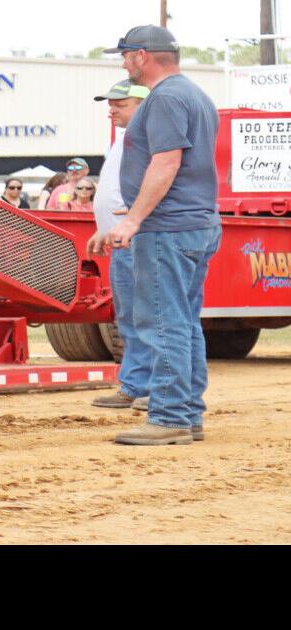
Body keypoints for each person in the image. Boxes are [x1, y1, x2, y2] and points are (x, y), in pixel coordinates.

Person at [105, 25, 222, 446]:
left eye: (125, 55)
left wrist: (134, 219)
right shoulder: (194, 95)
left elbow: (167, 162)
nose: (123, 64)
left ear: (142, 55)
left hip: (168, 228)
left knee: (162, 322)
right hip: (193, 222)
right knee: (184, 322)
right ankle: (187, 413)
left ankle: (170, 416)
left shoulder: (166, 98)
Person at [87, 79, 152, 411]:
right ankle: (135, 385)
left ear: (143, 106)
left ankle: (155, 389)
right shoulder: (124, 139)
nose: (111, 110)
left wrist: (135, 216)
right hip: (122, 240)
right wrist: (104, 228)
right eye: (110, 104)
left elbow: (161, 182)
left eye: (120, 104)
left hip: (141, 240)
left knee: (147, 316)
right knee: (129, 317)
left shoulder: (150, 137)